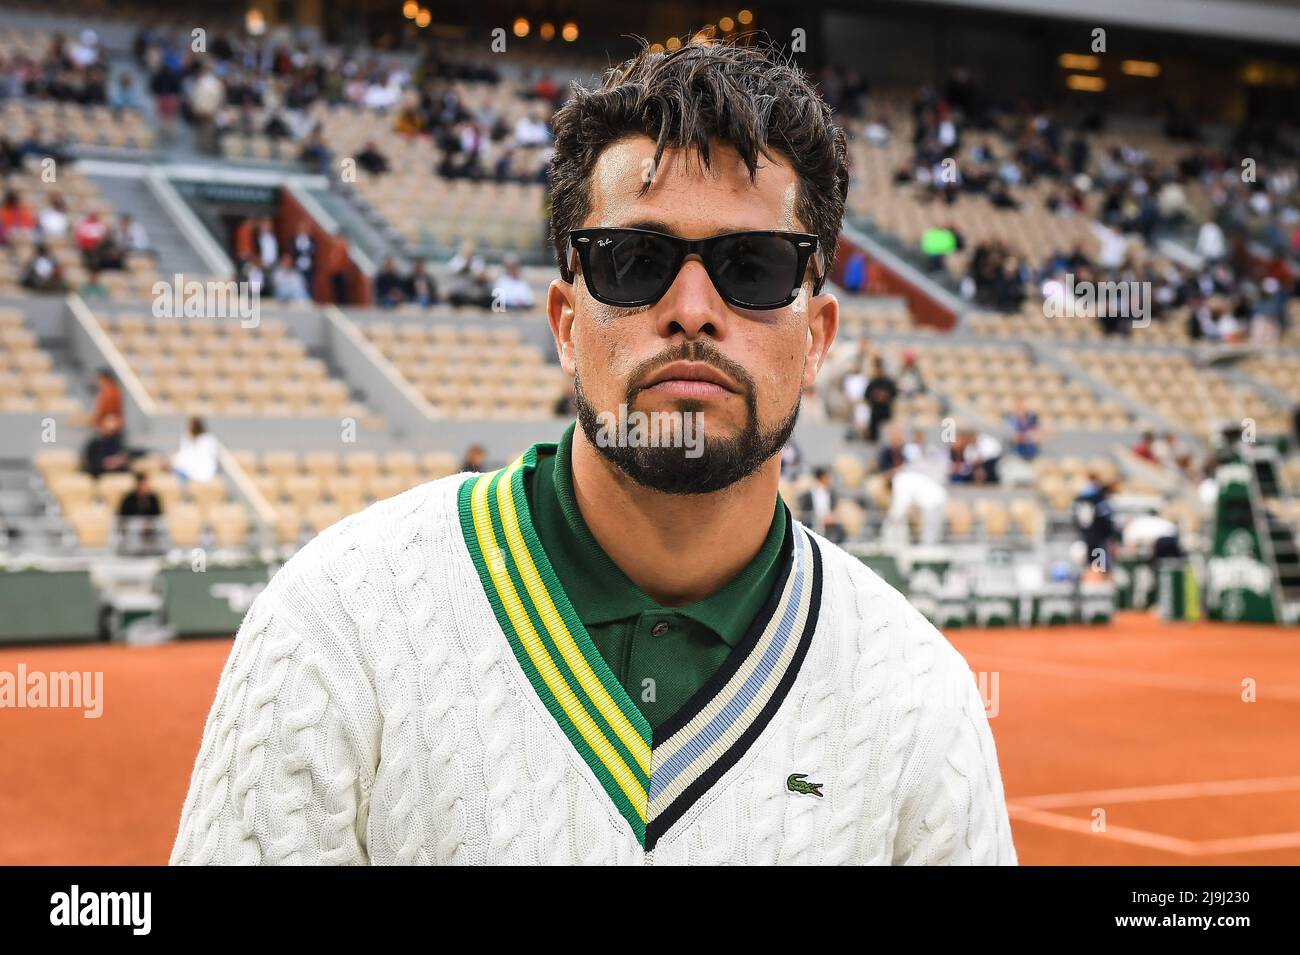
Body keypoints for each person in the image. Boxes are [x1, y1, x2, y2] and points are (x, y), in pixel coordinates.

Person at [171, 39, 1015, 866]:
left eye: (752, 267)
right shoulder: (341, 620)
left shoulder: (917, 696)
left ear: (819, 337)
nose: (692, 308)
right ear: (566, 324)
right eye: (634, 260)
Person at [797, 467, 844, 544]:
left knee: (840, 529)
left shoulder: (831, 493)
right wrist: (819, 518)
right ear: (821, 478)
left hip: (829, 521)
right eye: (827, 477)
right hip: (813, 521)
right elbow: (805, 513)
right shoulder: (808, 495)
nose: (829, 480)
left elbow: (833, 509)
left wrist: (830, 517)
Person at [172, 417, 220, 483]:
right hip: (188, 467)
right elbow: (184, 454)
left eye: (191, 425)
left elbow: (210, 456)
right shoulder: (186, 437)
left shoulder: (208, 439)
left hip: (204, 468)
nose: (189, 427)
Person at [82, 412, 130, 477]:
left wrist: (119, 461)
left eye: (114, 421)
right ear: (101, 424)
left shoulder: (118, 441)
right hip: (99, 473)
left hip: (117, 473)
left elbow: (124, 456)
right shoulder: (94, 442)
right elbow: (90, 463)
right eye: (109, 421)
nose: (112, 424)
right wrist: (106, 463)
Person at [864, 355, 898, 443]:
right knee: (873, 436)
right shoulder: (872, 383)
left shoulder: (888, 382)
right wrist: (875, 396)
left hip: (886, 412)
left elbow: (894, 394)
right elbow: (866, 395)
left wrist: (885, 396)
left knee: (886, 435)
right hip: (875, 413)